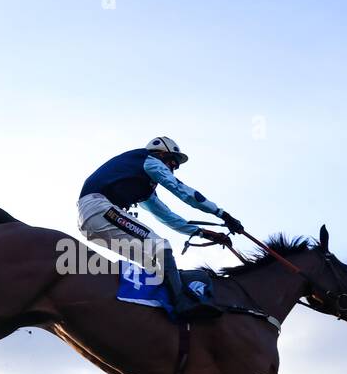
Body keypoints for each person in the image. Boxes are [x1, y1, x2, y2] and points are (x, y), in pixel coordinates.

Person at [77, 136, 242, 319]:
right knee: (160, 246)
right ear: (161, 154)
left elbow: (166, 216)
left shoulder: (143, 185)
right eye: (173, 162)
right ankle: (181, 303)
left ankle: (153, 312)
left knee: (155, 266)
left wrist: (202, 233)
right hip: (99, 209)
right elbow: (182, 191)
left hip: (93, 218)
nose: (174, 168)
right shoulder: (149, 160)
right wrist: (223, 214)